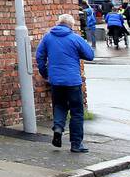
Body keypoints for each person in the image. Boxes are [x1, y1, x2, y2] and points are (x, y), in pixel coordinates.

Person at [35, 13, 95, 153]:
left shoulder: (48, 37)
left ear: (58, 23)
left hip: (55, 81)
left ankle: (58, 128)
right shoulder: (75, 38)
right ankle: (76, 144)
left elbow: (40, 56)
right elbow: (90, 55)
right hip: (73, 81)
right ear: (71, 25)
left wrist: (45, 73)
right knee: (76, 112)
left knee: (59, 106)